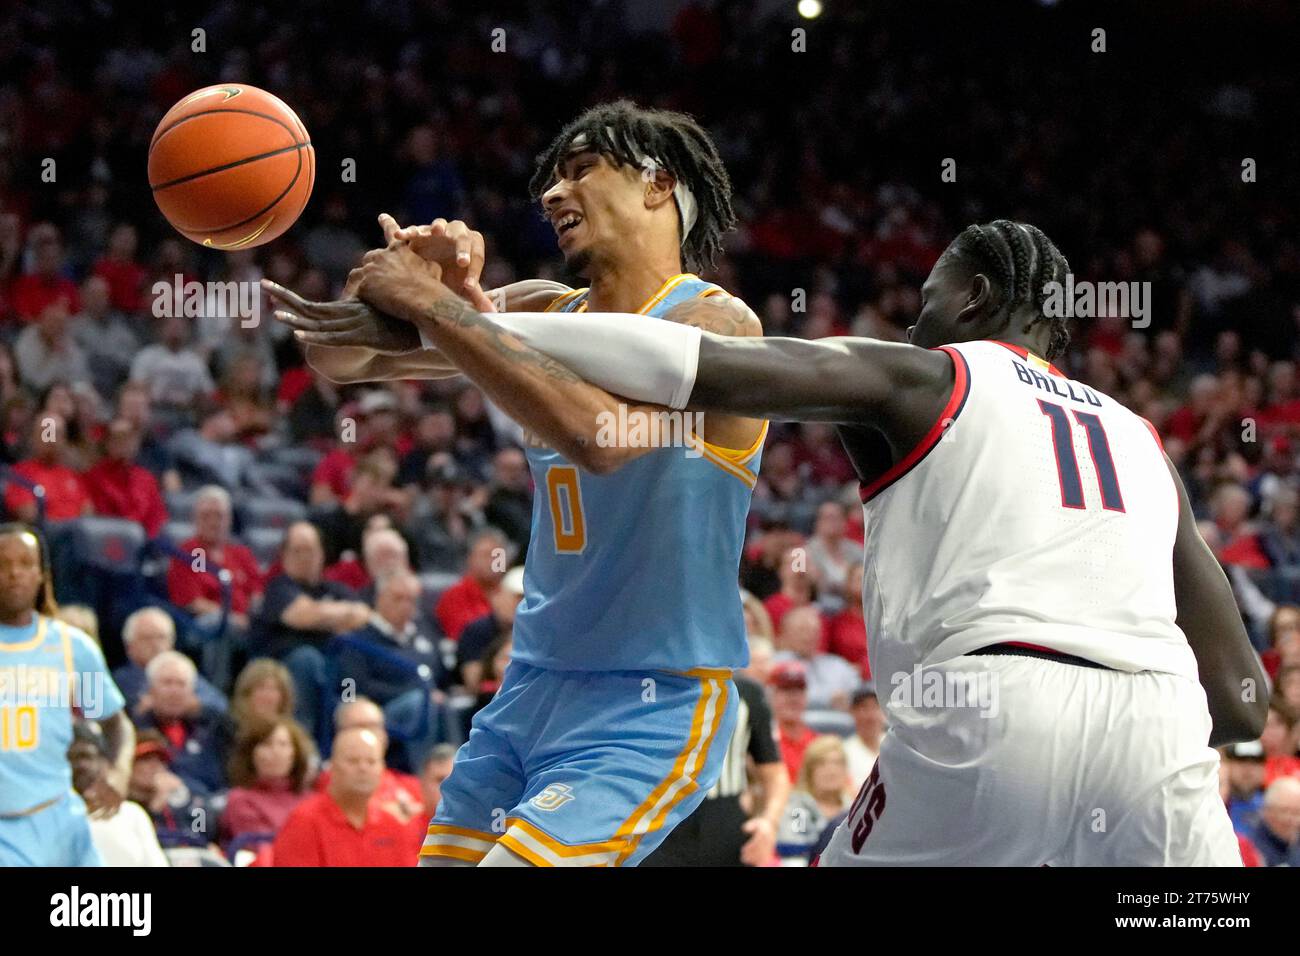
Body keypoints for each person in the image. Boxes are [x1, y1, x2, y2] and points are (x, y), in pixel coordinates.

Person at [333, 218, 1270, 865]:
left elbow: (686, 364)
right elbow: (1241, 700)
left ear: (976, 300)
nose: (916, 322)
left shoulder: (931, 375)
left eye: (930, 301)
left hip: (992, 700)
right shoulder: (1145, 443)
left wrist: (462, 316)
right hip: (1159, 729)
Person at [270, 102, 766, 866]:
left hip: (648, 699)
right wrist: (406, 281)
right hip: (529, 688)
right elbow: (338, 358)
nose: (554, 194)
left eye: (581, 170)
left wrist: (437, 307)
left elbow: (603, 438)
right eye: (551, 179)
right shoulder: (540, 306)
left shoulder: (719, 325)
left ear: (659, 185)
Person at [0, 523, 134, 865]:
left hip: (59, 817)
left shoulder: (69, 647)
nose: (14, 574)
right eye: (3, 564)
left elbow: (113, 723)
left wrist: (118, 773)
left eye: (25, 563)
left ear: (42, 575)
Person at [643, 670, 789, 867]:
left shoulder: (746, 692)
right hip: (659, 817)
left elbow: (774, 772)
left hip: (725, 819)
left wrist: (769, 823)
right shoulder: (648, 687)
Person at [250, 521, 371, 741]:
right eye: (297, 550)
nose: (305, 557)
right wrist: (338, 616)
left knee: (351, 664)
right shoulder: (278, 588)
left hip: (338, 676)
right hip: (286, 674)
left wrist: (321, 614)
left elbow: (362, 616)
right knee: (307, 659)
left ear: (322, 554)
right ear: (284, 555)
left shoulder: (337, 589)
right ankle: (303, 743)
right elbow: (302, 616)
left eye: (311, 550)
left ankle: (351, 738)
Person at [335, 570, 454, 770]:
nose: (406, 606)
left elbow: (443, 675)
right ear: (380, 599)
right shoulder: (358, 640)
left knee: (446, 704)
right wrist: (415, 692)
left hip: (429, 702)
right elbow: (353, 688)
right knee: (419, 702)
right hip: (381, 710)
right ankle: (421, 775)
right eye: (399, 598)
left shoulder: (425, 631)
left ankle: (454, 771)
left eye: (411, 600)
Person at [272, 726, 421, 866]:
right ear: (333, 767)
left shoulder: (392, 826)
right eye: (353, 761)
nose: (363, 768)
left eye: (371, 762)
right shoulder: (304, 822)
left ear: (382, 769)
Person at [131, 650, 233, 797]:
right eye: (167, 683)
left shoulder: (211, 729)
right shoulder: (137, 732)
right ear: (150, 690)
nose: (174, 691)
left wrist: (204, 711)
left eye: (181, 684)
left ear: (192, 693)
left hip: (203, 812)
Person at [68, 721, 168, 867]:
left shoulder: (131, 814)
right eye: (72, 758)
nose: (82, 765)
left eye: (87, 756)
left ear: (105, 763)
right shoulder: (49, 815)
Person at [221, 716, 317, 847]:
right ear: (251, 754)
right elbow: (260, 849)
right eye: (267, 744)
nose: (276, 752)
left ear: (295, 753)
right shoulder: (240, 800)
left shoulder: (312, 799)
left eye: (283, 744)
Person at [112, 606, 227, 715]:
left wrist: (195, 706)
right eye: (147, 638)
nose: (155, 645)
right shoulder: (118, 681)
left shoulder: (181, 672)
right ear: (129, 646)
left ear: (172, 643)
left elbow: (220, 704)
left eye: (161, 637)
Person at [777, 735, 851, 865]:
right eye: (822, 763)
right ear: (809, 770)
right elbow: (793, 859)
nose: (831, 770)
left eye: (837, 763)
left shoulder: (854, 809)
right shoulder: (797, 809)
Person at [774, 605, 859, 711]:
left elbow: (859, 695)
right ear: (785, 633)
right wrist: (829, 699)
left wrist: (849, 700)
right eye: (802, 629)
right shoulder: (777, 664)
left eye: (814, 630)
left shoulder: (837, 664)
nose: (810, 635)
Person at [769, 660, 816, 783]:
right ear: (771, 695)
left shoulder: (817, 743)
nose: (793, 698)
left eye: (799, 690)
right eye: (786, 690)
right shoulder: (764, 742)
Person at [1241, 776, 1300, 866]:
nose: (1291, 820)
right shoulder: (1251, 847)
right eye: (1284, 811)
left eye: (1297, 812)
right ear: (1267, 811)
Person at [842, 685, 885, 789]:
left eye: (876, 707)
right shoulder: (843, 751)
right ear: (852, 712)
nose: (871, 716)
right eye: (864, 708)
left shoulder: (898, 746)